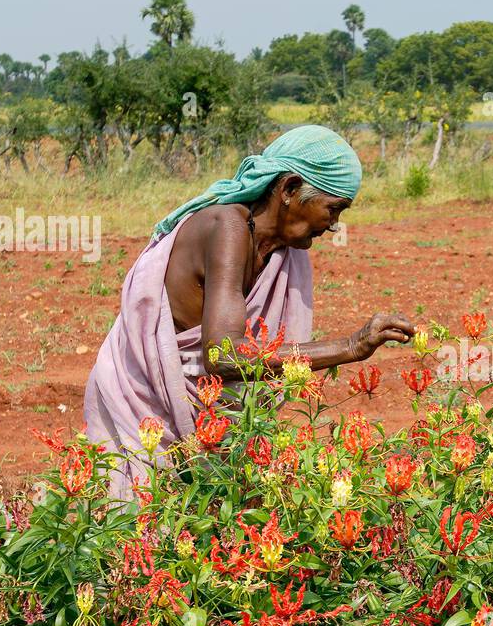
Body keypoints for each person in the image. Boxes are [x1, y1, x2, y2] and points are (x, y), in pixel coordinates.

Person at [83, 125, 413, 495]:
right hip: (143, 402)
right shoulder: (227, 228)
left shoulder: (282, 251)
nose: (334, 225)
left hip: (202, 416)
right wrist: (350, 347)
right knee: (134, 536)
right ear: (289, 190)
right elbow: (222, 355)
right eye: (333, 209)